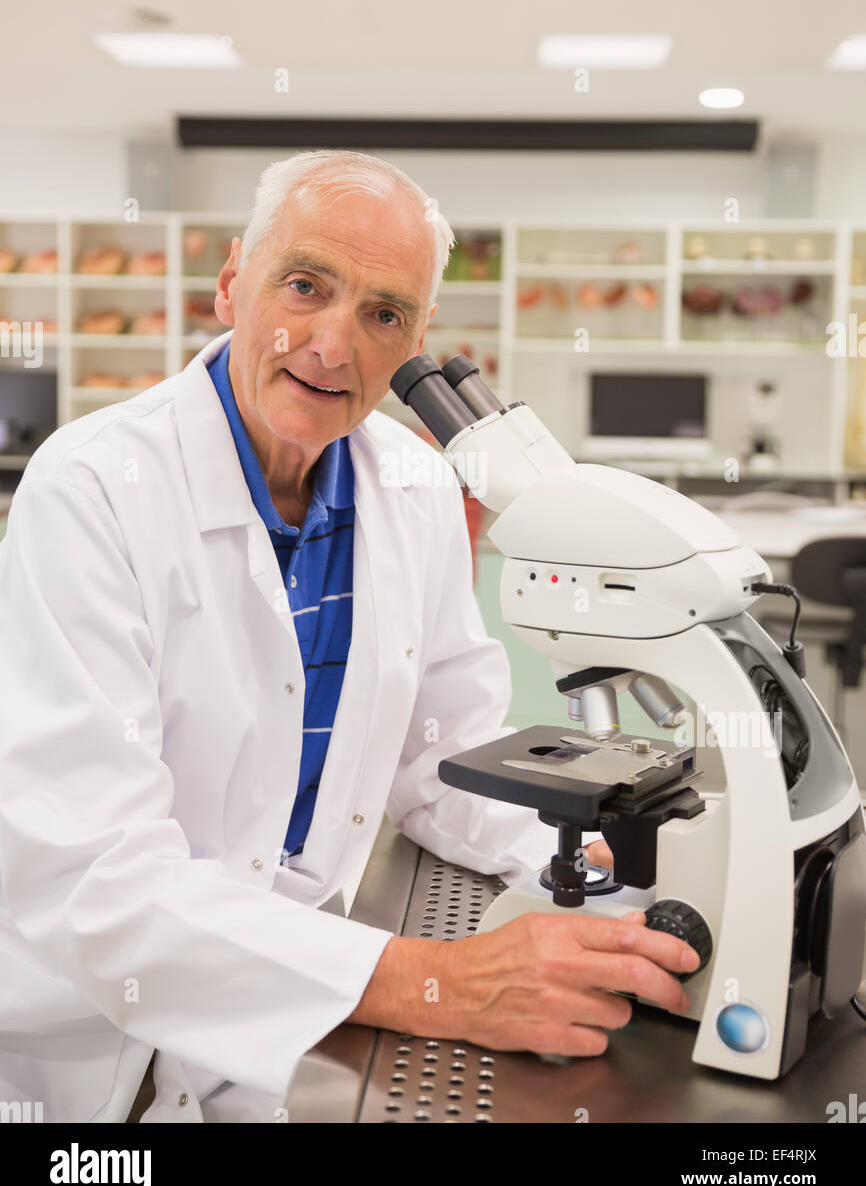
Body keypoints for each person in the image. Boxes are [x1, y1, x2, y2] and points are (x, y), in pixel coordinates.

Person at [0, 151, 698, 1123]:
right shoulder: (91, 489)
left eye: (383, 314)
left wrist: (608, 867)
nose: (333, 346)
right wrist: (441, 981)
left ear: (418, 341)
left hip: (288, 1008)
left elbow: (440, 754)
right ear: (232, 282)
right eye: (304, 285)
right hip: (81, 1047)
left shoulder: (411, 487)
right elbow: (97, 881)